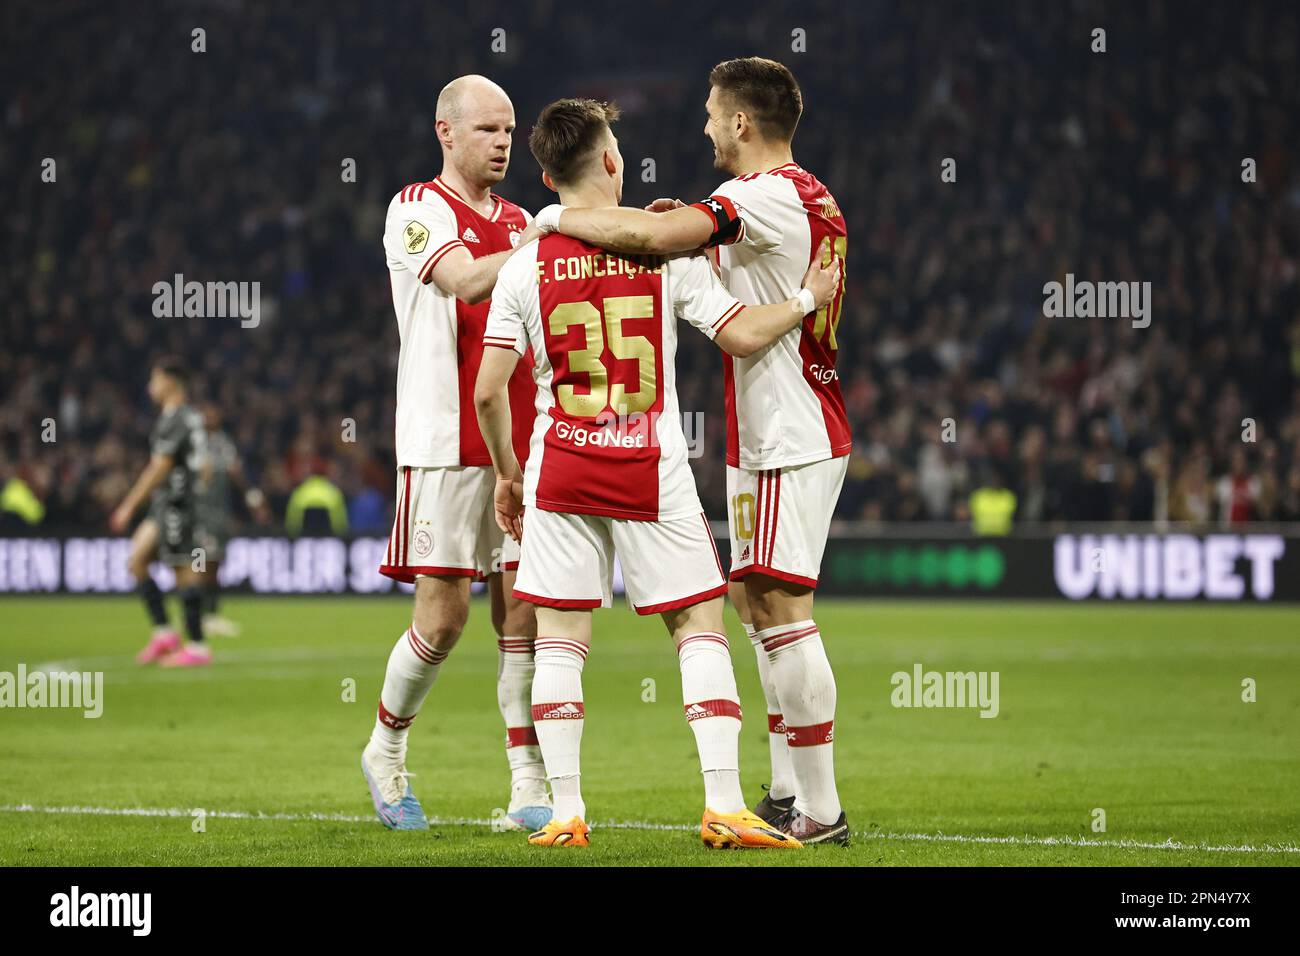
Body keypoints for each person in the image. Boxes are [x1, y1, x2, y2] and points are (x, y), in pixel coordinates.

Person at [474, 97, 839, 848]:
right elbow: (739, 333)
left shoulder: (523, 264)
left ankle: (568, 812)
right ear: (612, 162)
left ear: (545, 174)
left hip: (561, 466)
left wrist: (510, 475)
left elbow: (487, 390)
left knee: (560, 638)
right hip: (648, 465)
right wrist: (807, 298)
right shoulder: (660, 257)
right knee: (699, 628)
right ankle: (724, 803)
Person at [362, 75, 550, 832]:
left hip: (520, 441)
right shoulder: (416, 209)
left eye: (509, 130)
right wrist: (544, 238)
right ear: (445, 132)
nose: (503, 143)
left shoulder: (521, 216)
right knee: (442, 621)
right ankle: (385, 751)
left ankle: (530, 784)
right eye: (487, 130)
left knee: (525, 617)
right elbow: (469, 282)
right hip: (444, 440)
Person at [109, 358, 211, 667]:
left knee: (183, 571)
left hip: (178, 504)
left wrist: (128, 505)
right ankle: (165, 633)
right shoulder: (187, 418)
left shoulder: (178, 419)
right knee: (137, 560)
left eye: (154, 381)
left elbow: (160, 466)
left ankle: (196, 646)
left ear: (170, 382)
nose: (149, 388)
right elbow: (205, 467)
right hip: (167, 504)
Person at [196, 403, 271, 637]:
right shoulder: (193, 443)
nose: (212, 418)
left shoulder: (222, 442)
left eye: (214, 413)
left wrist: (252, 498)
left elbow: (236, 474)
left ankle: (210, 615)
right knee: (202, 561)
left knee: (215, 562)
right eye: (208, 414)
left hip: (219, 513)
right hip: (199, 512)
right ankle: (198, 615)